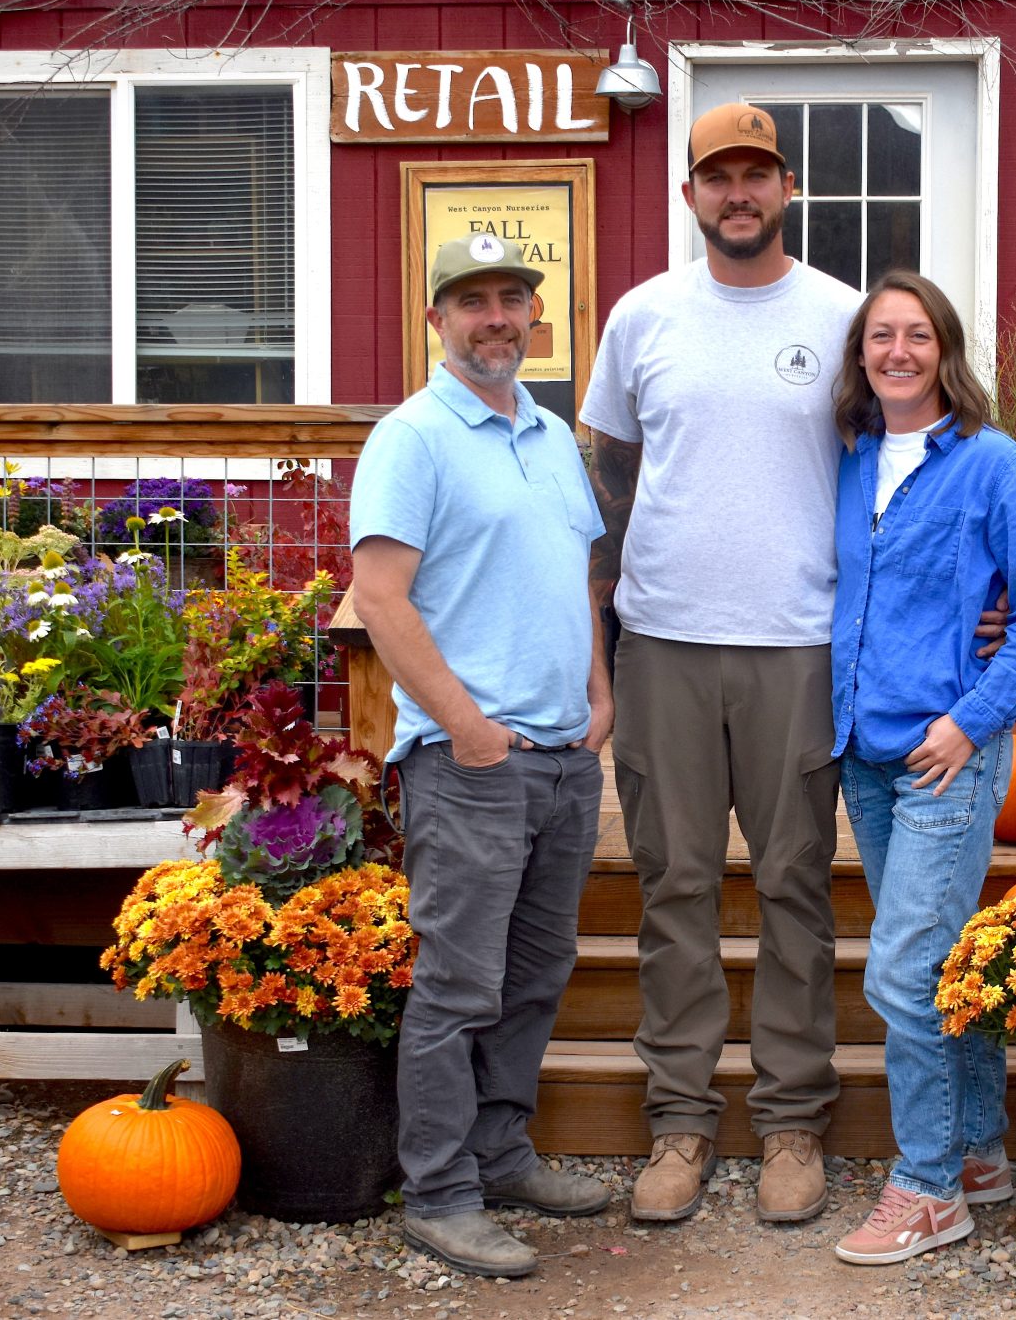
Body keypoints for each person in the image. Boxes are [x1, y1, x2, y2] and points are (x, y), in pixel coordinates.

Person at [578, 102, 863, 1225]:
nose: (737, 193)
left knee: (795, 885)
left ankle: (792, 1121)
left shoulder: (841, 317)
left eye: (756, 174)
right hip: (664, 643)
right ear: (689, 193)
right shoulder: (643, 316)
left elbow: (883, 472)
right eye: (716, 175)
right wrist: (599, 644)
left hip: (799, 642)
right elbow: (608, 484)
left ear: (787, 187)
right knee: (675, 887)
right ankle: (680, 1122)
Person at [348, 232, 613, 1279]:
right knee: (459, 985)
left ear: (534, 316)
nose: (495, 316)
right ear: (437, 320)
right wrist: (465, 726)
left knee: (535, 976)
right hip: (472, 766)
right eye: (472, 300)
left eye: (512, 297)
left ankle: (500, 1155)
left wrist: (598, 692)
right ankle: (440, 1191)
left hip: (563, 757)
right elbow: (379, 597)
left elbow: (575, 574)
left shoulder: (550, 434)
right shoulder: (411, 437)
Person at [825, 272, 1016, 1266]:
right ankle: (976, 1150)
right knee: (938, 961)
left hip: (945, 760)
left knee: (901, 966)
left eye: (917, 335)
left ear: (944, 350)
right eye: (880, 335)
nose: (898, 351)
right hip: (864, 753)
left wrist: (970, 726)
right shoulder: (846, 461)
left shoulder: (994, 465)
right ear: (860, 354)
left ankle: (926, 1187)